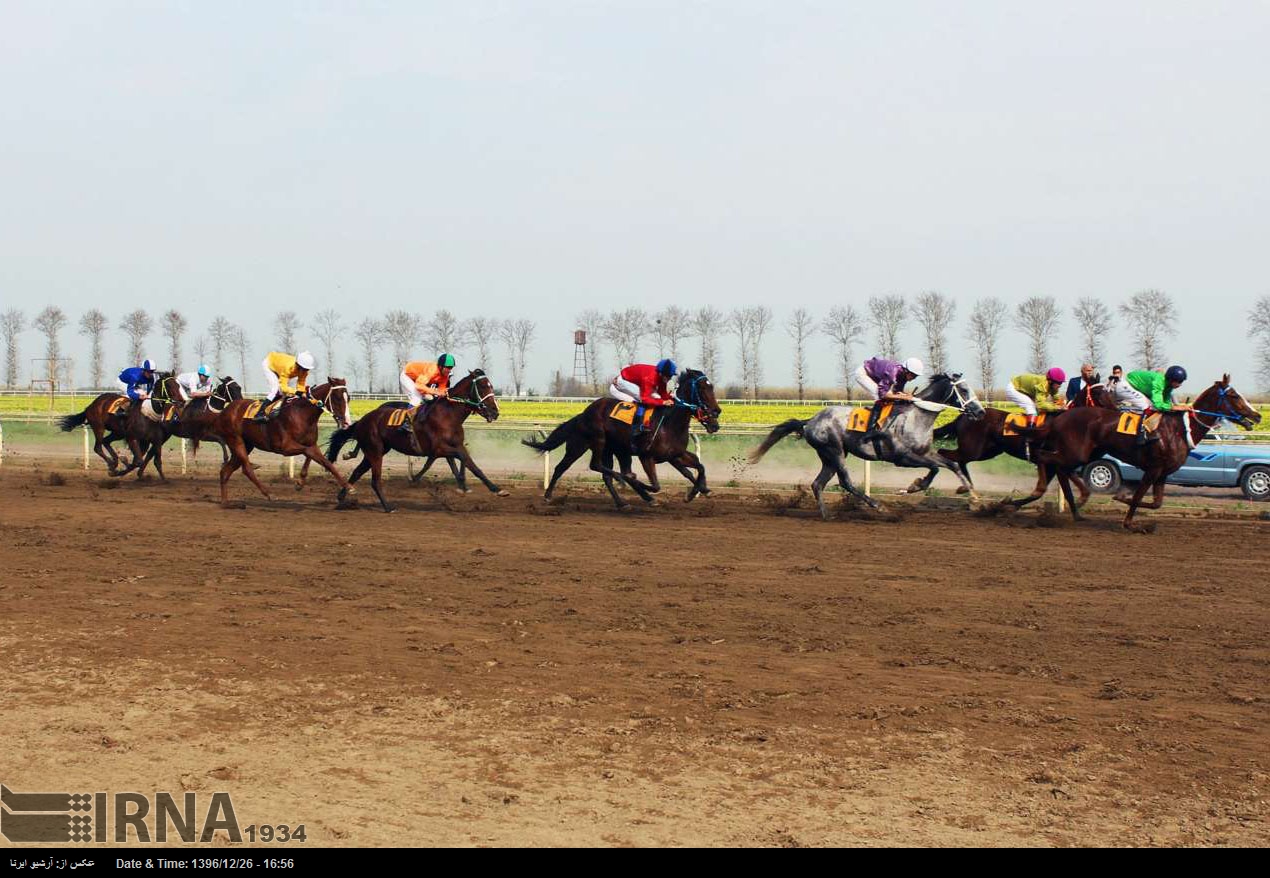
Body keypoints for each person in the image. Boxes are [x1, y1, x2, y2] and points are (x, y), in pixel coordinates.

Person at [855, 356, 923, 444]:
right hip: (863, 374)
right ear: (906, 371)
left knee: (891, 397)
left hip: (874, 376)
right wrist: (904, 397)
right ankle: (869, 432)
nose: (914, 378)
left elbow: (897, 392)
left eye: (916, 376)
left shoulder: (903, 375)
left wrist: (905, 395)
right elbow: (883, 395)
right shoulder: (892, 373)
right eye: (913, 375)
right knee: (880, 397)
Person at [1118, 366, 1192, 445]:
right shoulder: (1159, 382)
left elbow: (1166, 402)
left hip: (1135, 387)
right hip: (1126, 385)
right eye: (1179, 381)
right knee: (1148, 406)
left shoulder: (1169, 386)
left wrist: (1177, 407)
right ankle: (1141, 435)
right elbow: (1158, 405)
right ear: (1171, 379)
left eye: (1181, 381)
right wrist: (1176, 407)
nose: (1180, 384)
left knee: (1157, 407)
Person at [1006, 367, 1067, 460]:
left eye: (1061, 383)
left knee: (1036, 409)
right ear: (1050, 381)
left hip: (1023, 389)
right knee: (1031, 408)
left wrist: (1062, 404)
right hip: (1014, 388)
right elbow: (1040, 405)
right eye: (1058, 383)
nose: (1060, 385)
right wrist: (1057, 408)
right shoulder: (1042, 385)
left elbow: (1056, 397)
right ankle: (1029, 434)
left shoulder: (1052, 385)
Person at [609, 359, 677, 438]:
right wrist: (663, 402)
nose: (669, 378)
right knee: (641, 400)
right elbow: (645, 399)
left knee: (657, 398)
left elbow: (663, 394)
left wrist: (672, 399)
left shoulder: (661, 377)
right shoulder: (649, 378)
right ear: (661, 373)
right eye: (668, 376)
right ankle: (636, 427)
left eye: (670, 376)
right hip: (622, 382)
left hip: (633, 381)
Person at [396, 354, 455, 433]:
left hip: (417, 379)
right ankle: (406, 423)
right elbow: (419, 385)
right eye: (448, 367)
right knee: (417, 398)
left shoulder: (445, 377)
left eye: (451, 368)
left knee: (429, 398)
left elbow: (441, 391)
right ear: (440, 366)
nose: (449, 370)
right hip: (407, 376)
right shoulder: (432, 370)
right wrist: (434, 392)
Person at [258, 350, 315, 421]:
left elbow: (300, 385)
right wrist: (297, 392)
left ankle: (272, 408)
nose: (305, 372)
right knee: (275, 390)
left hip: (279, 367)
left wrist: (301, 393)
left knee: (282, 394)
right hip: (269, 364)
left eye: (307, 369)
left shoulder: (304, 372)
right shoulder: (288, 368)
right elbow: (283, 387)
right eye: (304, 369)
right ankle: (259, 413)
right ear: (298, 365)